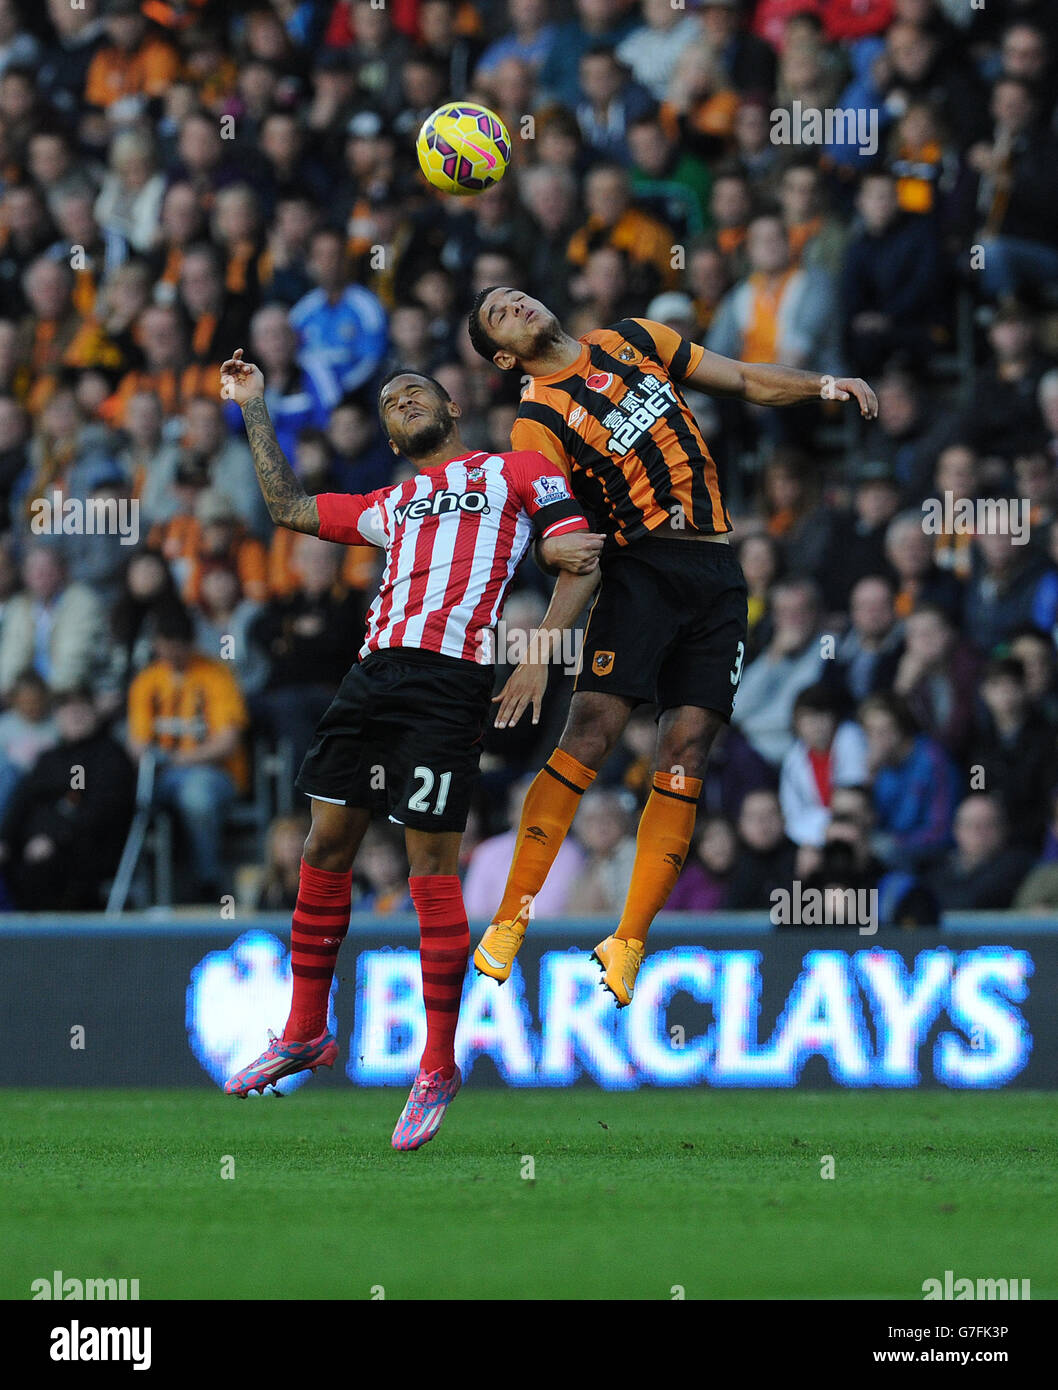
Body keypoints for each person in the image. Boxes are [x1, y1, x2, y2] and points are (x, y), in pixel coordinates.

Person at [218, 349, 602, 1149]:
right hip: (371, 676)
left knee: (429, 867)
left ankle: (435, 1065)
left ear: (452, 408)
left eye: (415, 391)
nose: (401, 400)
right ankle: (305, 1030)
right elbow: (289, 507)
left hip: (449, 682)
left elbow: (582, 556)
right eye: (391, 401)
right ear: (392, 440)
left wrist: (538, 654)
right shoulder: (392, 502)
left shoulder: (518, 470)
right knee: (324, 845)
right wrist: (253, 405)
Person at [466, 284, 876, 1005]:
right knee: (591, 733)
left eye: (516, 295)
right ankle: (510, 917)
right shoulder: (536, 424)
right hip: (640, 566)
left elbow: (742, 378)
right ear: (503, 357)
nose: (519, 304)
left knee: (687, 751)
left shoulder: (634, 338)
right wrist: (539, 650)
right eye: (500, 313)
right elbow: (569, 543)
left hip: (718, 572)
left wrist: (822, 385)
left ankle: (628, 940)